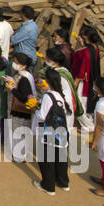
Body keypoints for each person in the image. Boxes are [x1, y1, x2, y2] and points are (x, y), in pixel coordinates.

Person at [31, 67, 71, 195]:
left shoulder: (48, 96)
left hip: (48, 130)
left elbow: (42, 115)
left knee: (46, 158)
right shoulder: (60, 95)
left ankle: (48, 185)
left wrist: (35, 109)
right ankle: (63, 182)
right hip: (61, 129)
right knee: (60, 157)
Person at [5, 52, 37, 163]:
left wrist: (12, 89)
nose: (14, 64)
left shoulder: (24, 79)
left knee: (19, 132)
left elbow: (24, 97)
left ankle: (19, 156)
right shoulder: (21, 75)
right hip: (18, 110)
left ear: (23, 66)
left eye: (16, 62)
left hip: (20, 110)